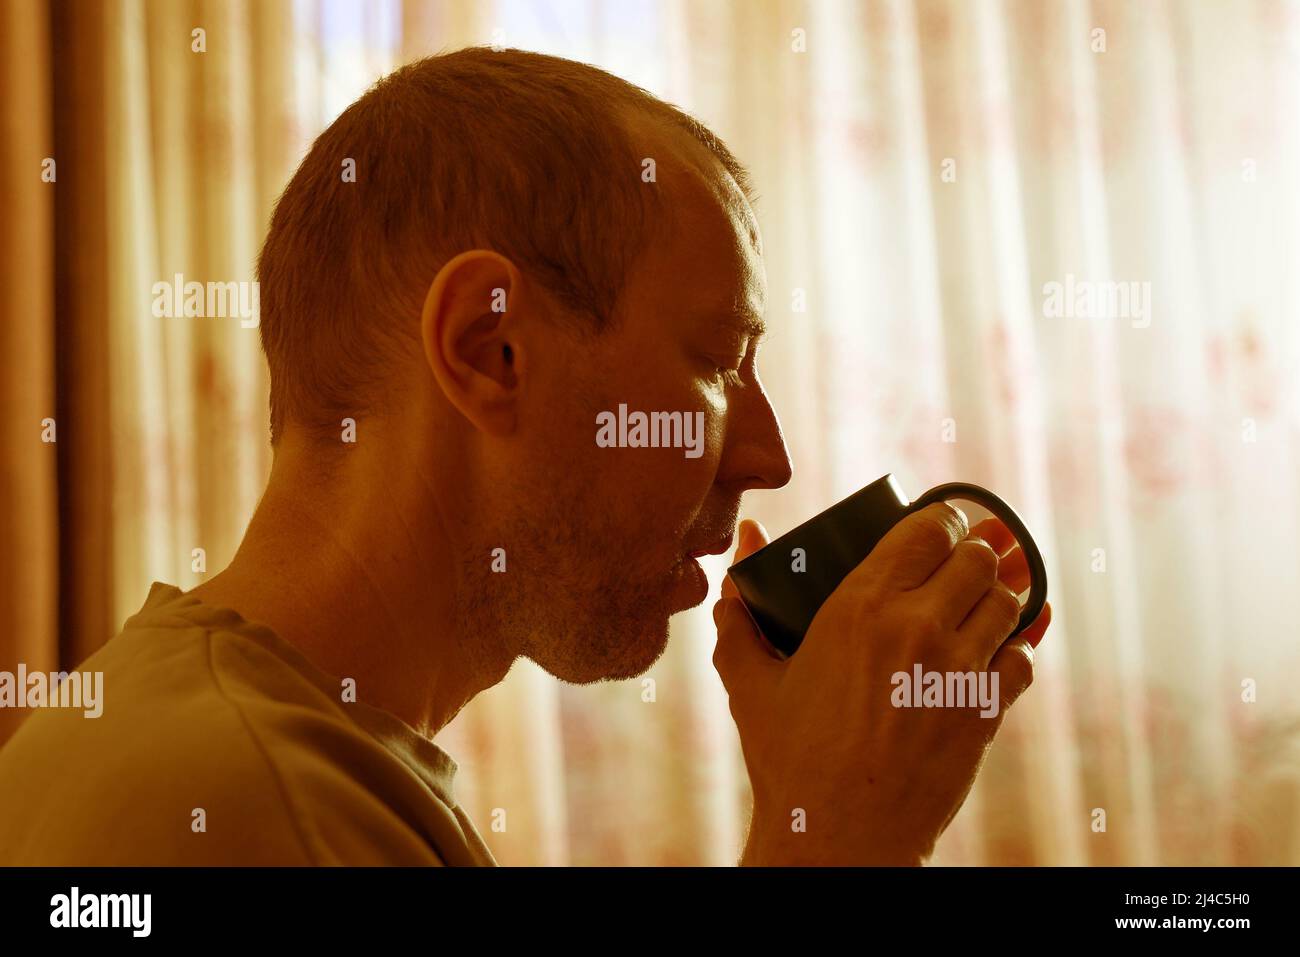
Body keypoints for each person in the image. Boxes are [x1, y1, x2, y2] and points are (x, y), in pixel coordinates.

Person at [0, 47, 1050, 866]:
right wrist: (839, 838)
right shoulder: (243, 799)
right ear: (486, 346)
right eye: (720, 361)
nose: (767, 459)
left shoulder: (274, 756)